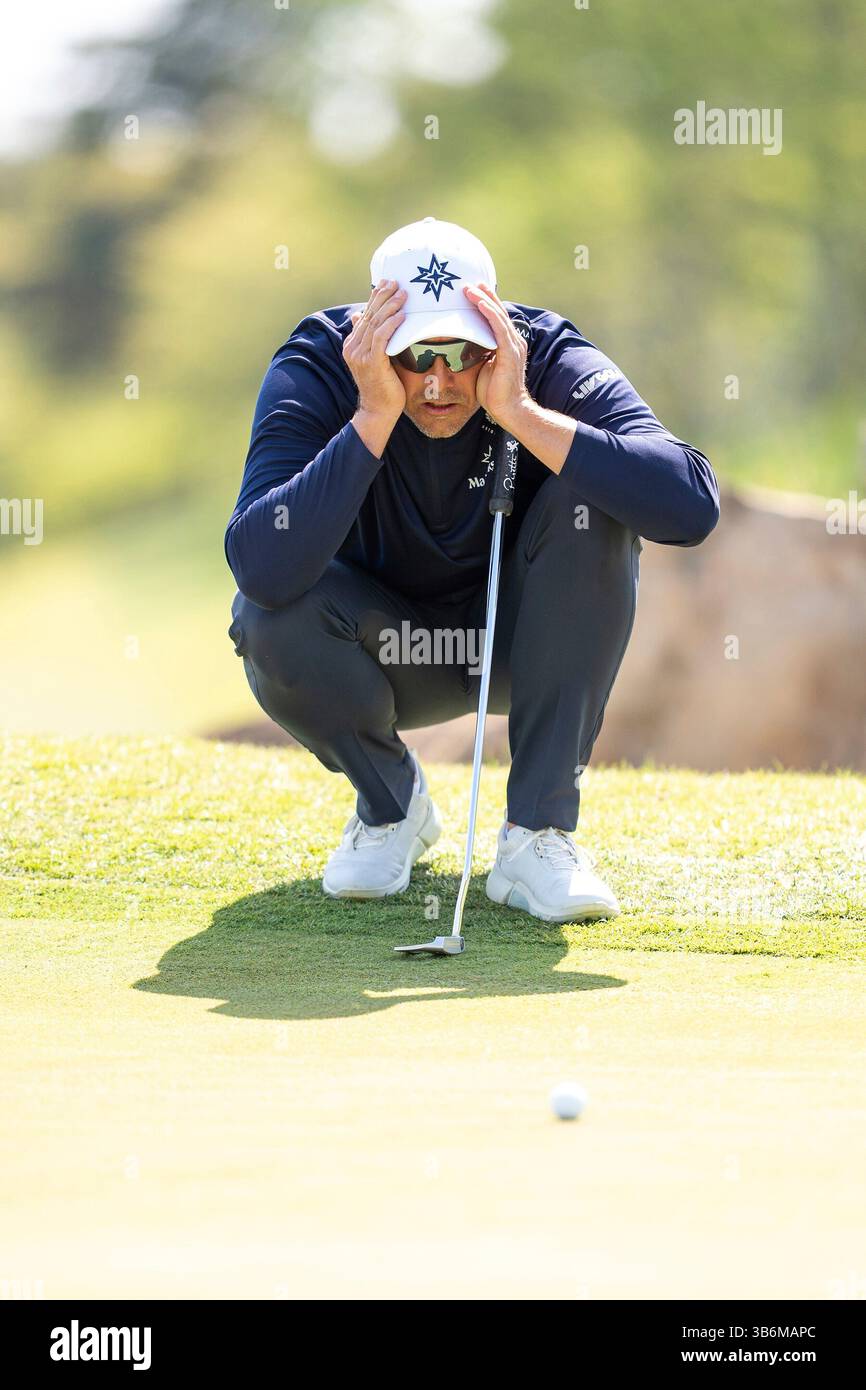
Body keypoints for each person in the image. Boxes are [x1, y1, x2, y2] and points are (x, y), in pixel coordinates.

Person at [225, 217, 719, 923]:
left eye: (461, 351)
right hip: (386, 654)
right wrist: (370, 415)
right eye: (413, 355)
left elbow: (690, 505)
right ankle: (393, 808)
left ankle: (536, 834)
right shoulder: (319, 363)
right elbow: (261, 567)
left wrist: (519, 411)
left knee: (594, 498)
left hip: (524, 648)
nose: (438, 381)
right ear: (372, 335)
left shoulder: (544, 353)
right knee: (265, 615)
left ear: (496, 330)